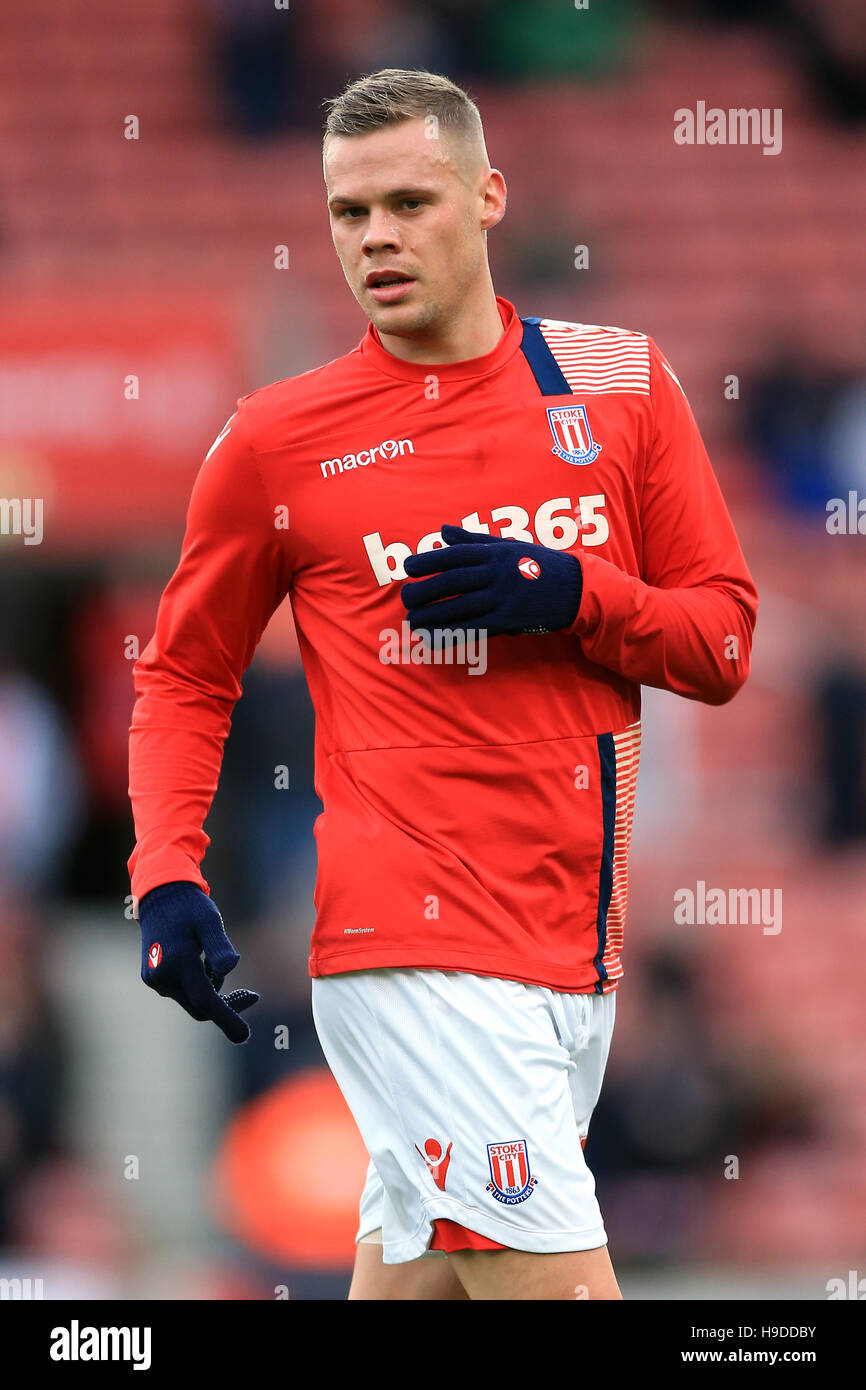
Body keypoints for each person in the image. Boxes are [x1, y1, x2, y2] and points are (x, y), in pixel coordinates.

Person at [127, 67, 758, 1301]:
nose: (375, 238)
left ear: (486, 198)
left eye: (408, 203)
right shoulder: (277, 436)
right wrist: (167, 872)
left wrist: (572, 594)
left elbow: (721, 644)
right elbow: (184, 675)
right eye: (348, 212)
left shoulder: (619, 381)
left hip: (572, 951)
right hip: (412, 948)